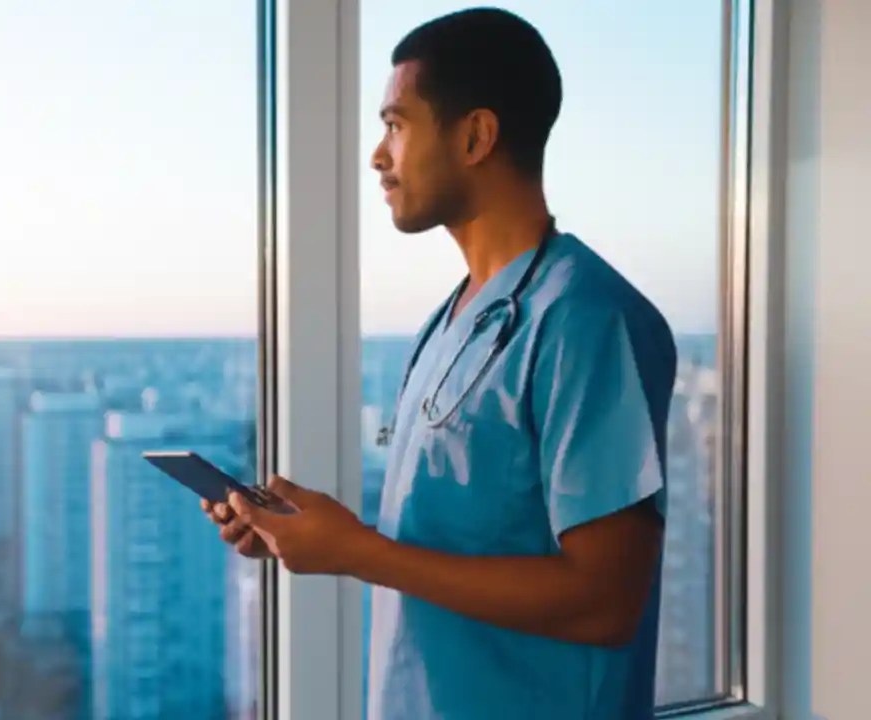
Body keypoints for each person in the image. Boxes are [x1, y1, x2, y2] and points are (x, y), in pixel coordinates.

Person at [202, 7, 675, 720]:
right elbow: (460, 536)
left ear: (476, 136)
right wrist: (307, 534)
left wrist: (360, 551)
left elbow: (604, 602)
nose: (377, 155)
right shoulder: (448, 323)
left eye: (396, 123)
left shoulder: (586, 319)